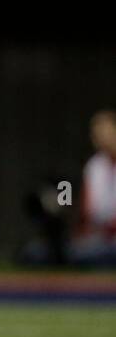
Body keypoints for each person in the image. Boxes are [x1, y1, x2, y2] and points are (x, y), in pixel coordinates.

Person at [72, 109, 116, 265]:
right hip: (99, 239)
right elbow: (86, 211)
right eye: (96, 135)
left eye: (105, 133)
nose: (101, 139)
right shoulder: (94, 166)